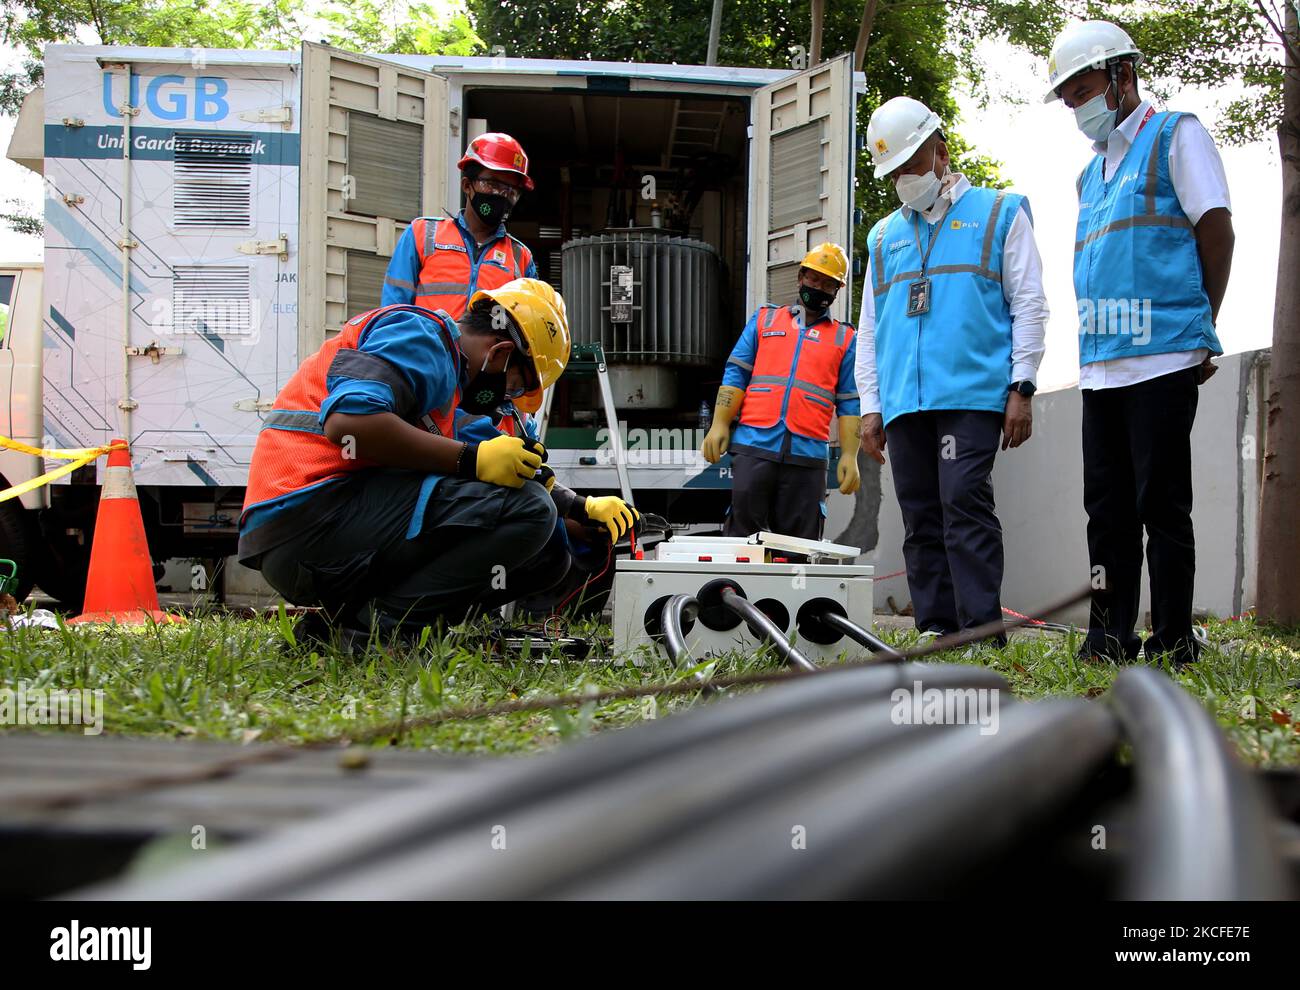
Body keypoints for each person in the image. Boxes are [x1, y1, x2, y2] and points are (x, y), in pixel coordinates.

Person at [237, 279, 572, 647]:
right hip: (307, 517)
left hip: (319, 528)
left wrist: (579, 507)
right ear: (500, 353)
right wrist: (470, 460)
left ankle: (342, 630)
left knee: (551, 552)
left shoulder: (447, 389)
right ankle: (377, 634)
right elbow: (349, 424)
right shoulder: (421, 337)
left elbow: (503, 469)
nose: (507, 399)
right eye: (515, 387)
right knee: (529, 510)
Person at [1044, 20, 1232, 665]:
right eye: (1067, 97)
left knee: (1163, 507)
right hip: (1101, 367)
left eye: (1083, 88)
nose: (1077, 105)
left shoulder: (1176, 135)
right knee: (1108, 513)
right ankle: (1108, 633)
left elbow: (1216, 229)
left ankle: (1175, 636)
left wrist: (1202, 327)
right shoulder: (1088, 176)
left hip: (1163, 356)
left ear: (1123, 74)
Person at [857, 96, 1048, 642]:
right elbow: (870, 329)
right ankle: (936, 627)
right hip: (903, 403)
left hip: (970, 396)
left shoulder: (1000, 213)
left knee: (962, 500)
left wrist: (1022, 385)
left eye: (912, 166)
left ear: (940, 150)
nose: (904, 181)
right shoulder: (883, 236)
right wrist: (872, 406)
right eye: (894, 173)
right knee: (919, 512)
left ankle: (981, 629)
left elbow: (1029, 303)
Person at [700, 244, 861, 543]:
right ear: (800, 277)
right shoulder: (765, 320)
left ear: (837, 290)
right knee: (741, 544)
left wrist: (850, 455)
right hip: (754, 445)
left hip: (807, 454)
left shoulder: (845, 338)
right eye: (814, 279)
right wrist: (720, 423)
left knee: (799, 549)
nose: (819, 288)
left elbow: (850, 402)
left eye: (828, 283)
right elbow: (736, 373)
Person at [382, 131, 541, 433]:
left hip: (485, 388)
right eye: (493, 184)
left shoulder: (520, 258)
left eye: (511, 190)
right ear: (467, 185)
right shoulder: (423, 236)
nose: (502, 196)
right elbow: (391, 314)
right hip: (427, 379)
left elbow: (526, 342)